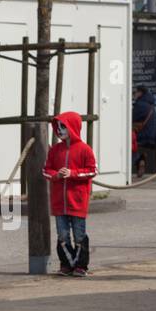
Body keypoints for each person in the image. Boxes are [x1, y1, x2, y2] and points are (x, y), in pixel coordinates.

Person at [43, 111, 98, 277]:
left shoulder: (84, 149)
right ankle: (66, 265)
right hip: (59, 203)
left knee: (79, 235)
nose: (59, 130)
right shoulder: (55, 150)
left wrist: (73, 173)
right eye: (57, 127)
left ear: (73, 128)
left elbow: (93, 170)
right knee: (63, 235)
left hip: (78, 202)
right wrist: (56, 175)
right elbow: (46, 170)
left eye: (63, 126)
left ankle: (81, 266)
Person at [131, 85, 156, 178]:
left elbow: (131, 119)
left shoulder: (140, 105)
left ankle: (138, 161)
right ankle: (141, 160)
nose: (133, 95)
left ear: (140, 93)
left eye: (135, 93)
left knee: (130, 144)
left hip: (143, 136)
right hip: (151, 136)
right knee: (140, 148)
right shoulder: (150, 105)